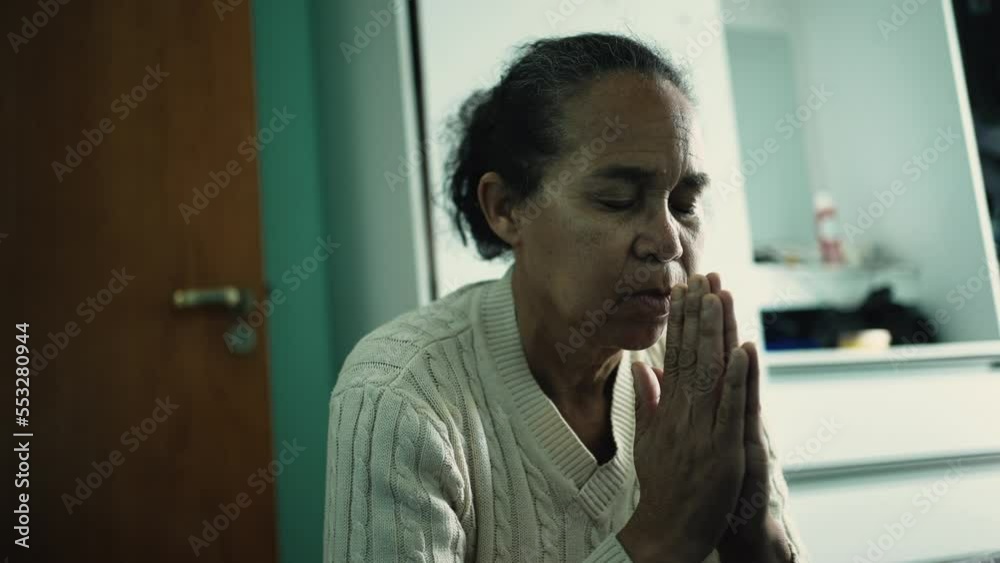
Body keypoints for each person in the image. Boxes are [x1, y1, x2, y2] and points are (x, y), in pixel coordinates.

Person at [323, 32, 809, 562]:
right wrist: (663, 534)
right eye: (617, 199)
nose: (669, 241)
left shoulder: (696, 374)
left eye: (685, 202)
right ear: (507, 208)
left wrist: (752, 535)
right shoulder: (403, 392)